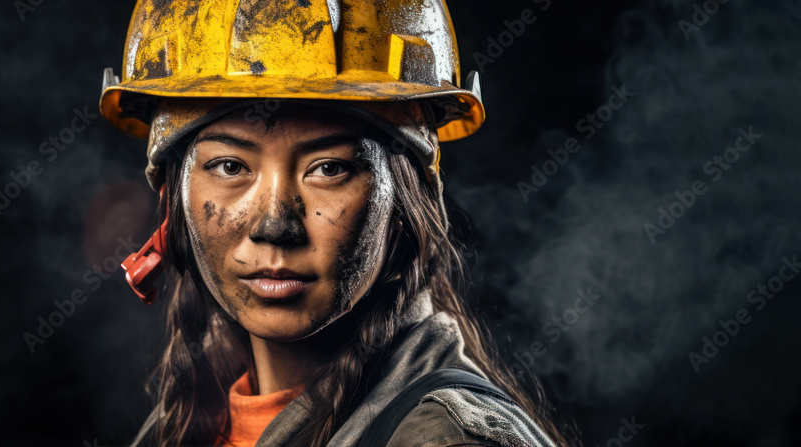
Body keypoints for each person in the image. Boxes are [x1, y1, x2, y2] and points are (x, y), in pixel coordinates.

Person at [98, 1, 567, 446]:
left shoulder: (444, 438)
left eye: (328, 168)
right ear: (173, 201)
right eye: (229, 166)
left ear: (404, 200)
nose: (274, 224)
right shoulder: (188, 422)